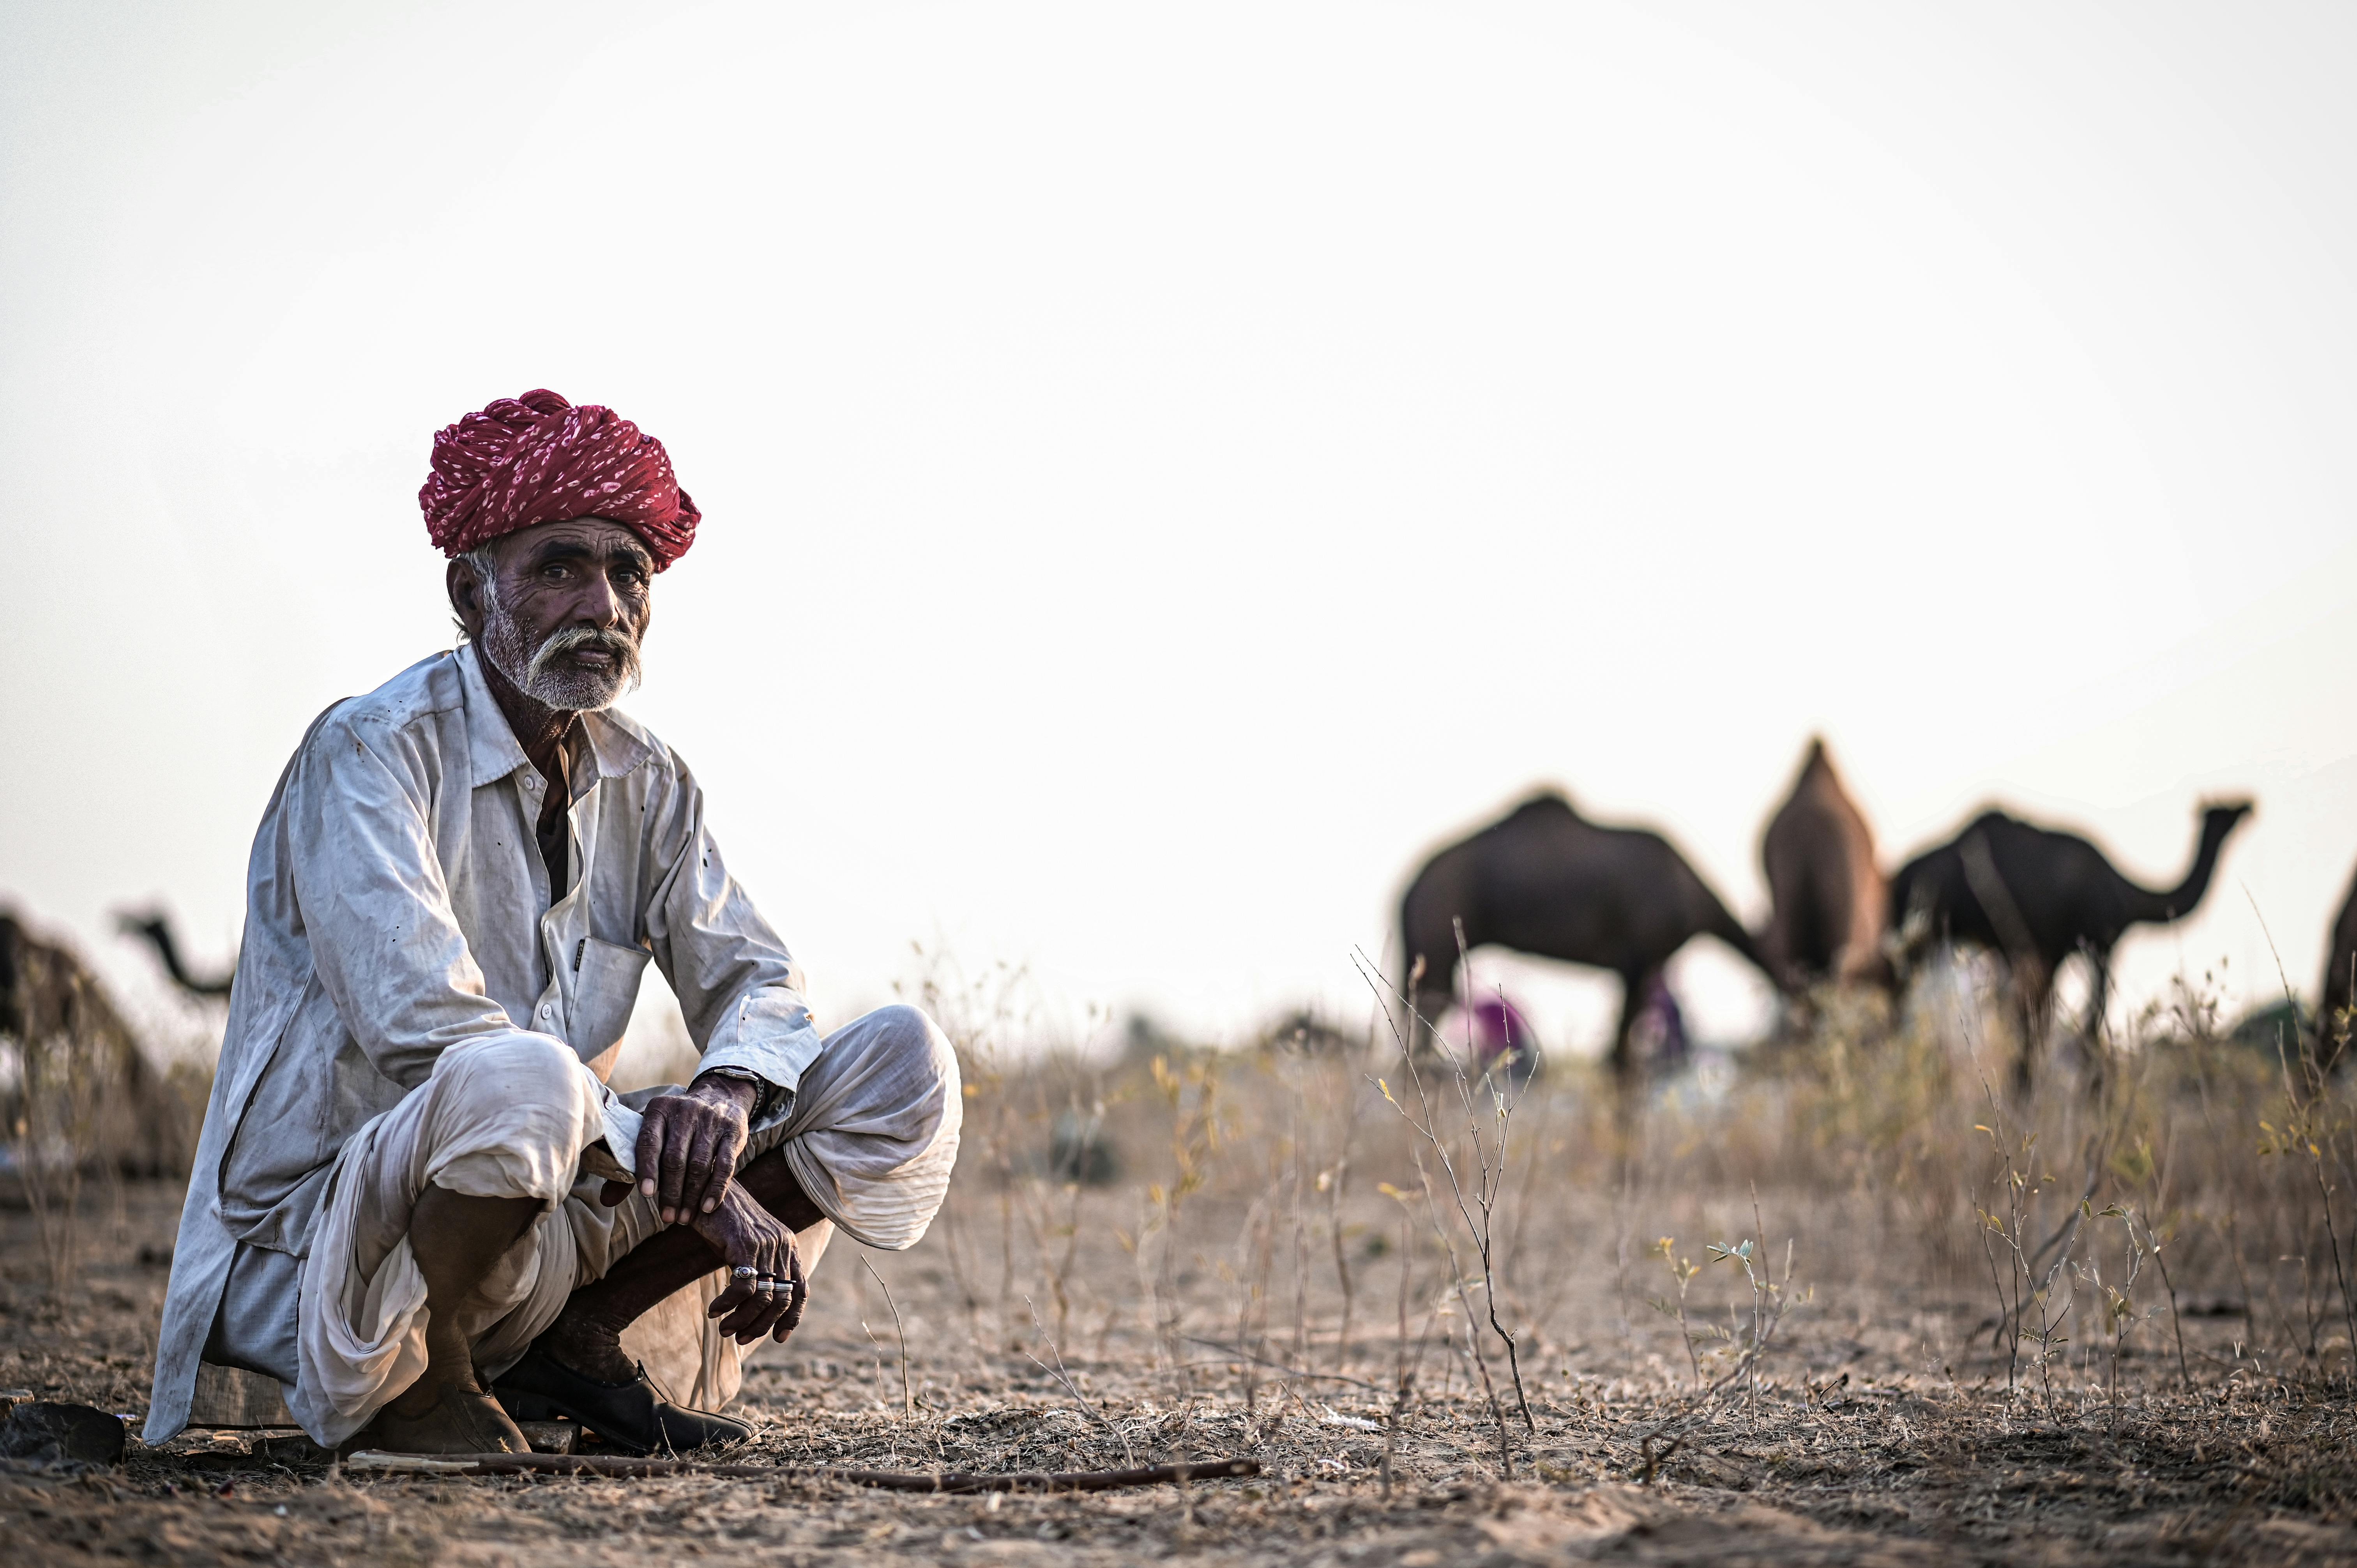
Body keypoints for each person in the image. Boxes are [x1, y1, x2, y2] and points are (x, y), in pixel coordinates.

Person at [143, 390, 961, 1456]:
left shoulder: (648, 780)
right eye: (560, 567)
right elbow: (429, 1032)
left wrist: (720, 1097)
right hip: (335, 1254)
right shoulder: (371, 752)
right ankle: (425, 1388)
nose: (604, 602)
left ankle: (577, 1347)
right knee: (517, 1077)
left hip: (545, 1228)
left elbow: (762, 983)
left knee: (904, 1059)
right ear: (469, 590)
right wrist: (693, 1183)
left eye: (630, 574)